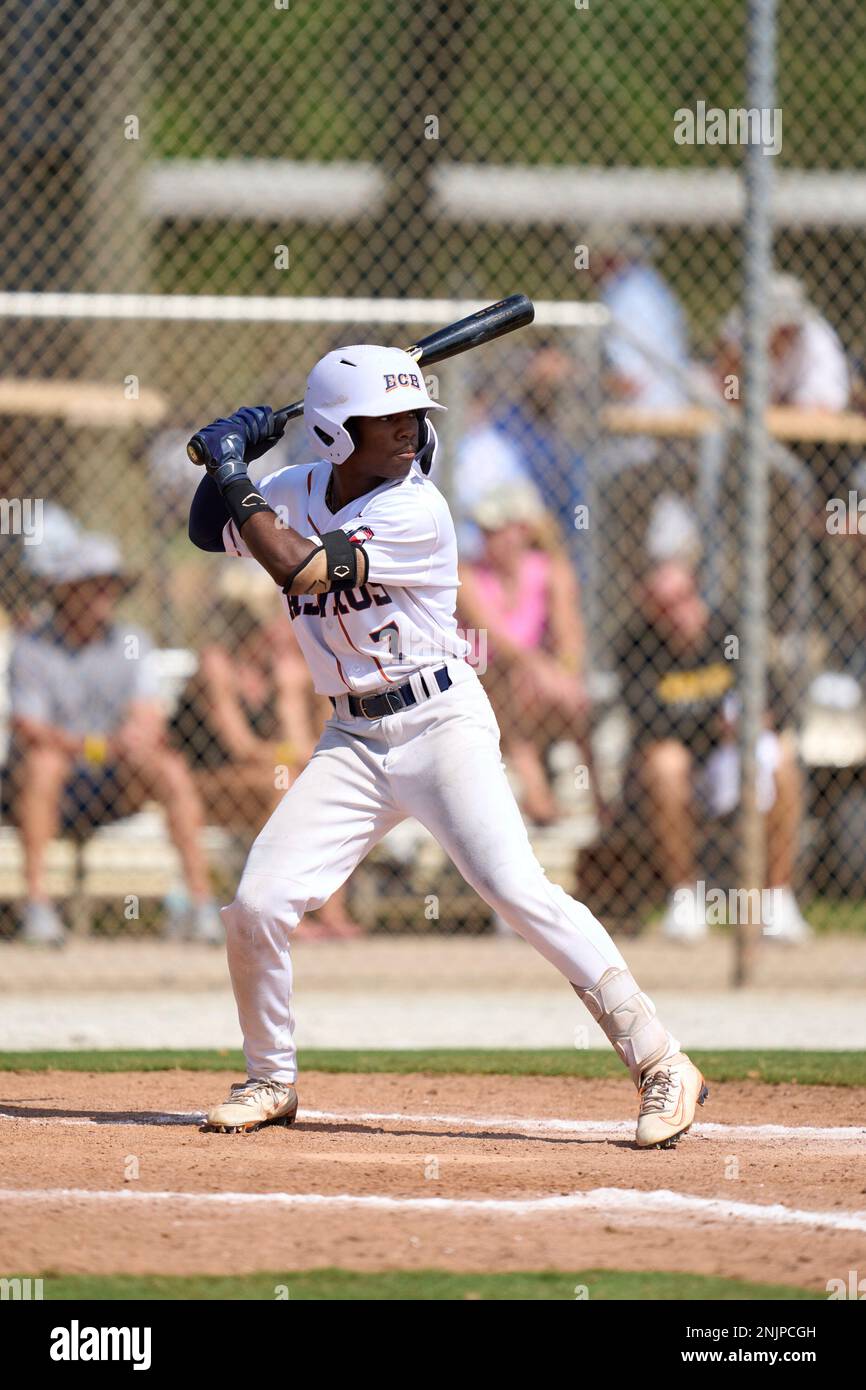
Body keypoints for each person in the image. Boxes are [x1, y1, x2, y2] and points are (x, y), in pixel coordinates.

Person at [185, 348, 708, 1146]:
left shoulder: (417, 511)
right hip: (352, 737)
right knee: (256, 904)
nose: (409, 433)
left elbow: (298, 570)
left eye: (414, 419)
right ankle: (270, 1078)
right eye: (388, 420)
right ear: (333, 434)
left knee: (516, 889)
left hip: (440, 725)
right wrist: (233, 457)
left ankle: (663, 1062)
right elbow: (205, 528)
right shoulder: (294, 489)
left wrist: (231, 464)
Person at [4, 533, 223, 945]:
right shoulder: (33, 646)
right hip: (56, 783)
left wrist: (138, 733)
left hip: (115, 782)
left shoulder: (130, 641)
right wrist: (96, 746)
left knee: (169, 768)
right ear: (67, 591)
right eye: (95, 584)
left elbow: (148, 714)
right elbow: (30, 727)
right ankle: (37, 907)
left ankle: (201, 904)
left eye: (111, 585)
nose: (106, 594)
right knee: (43, 764)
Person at [617, 559, 808, 944]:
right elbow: (648, 724)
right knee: (666, 763)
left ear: (698, 594)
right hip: (685, 770)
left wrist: (755, 721)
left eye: (683, 600)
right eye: (664, 606)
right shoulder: (637, 646)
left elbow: (782, 705)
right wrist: (713, 724)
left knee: (783, 757)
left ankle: (777, 901)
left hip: (734, 756)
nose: (677, 614)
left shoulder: (730, 633)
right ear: (650, 609)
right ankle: (686, 898)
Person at [170, 596, 361, 939]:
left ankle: (328, 912)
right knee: (284, 780)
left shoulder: (280, 669)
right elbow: (240, 747)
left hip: (264, 776)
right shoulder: (218, 663)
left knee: (315, 782)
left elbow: (305, 743)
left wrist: (291, 690)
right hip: (206, 780)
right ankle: (282, 911)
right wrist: (291, 754)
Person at [457, 481, 588, 824]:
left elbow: (569, 636)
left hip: (536, 689)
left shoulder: (550, 571)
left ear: (523, 531)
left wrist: (564, 672)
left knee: (570, 693)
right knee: (509, 677)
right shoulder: (468, 576)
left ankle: (597, 796)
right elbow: (497, 641)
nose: (487, 538)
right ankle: (538, 795)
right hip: (484, 683)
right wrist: (540, 669)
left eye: (497, 529)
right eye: (484, 530)